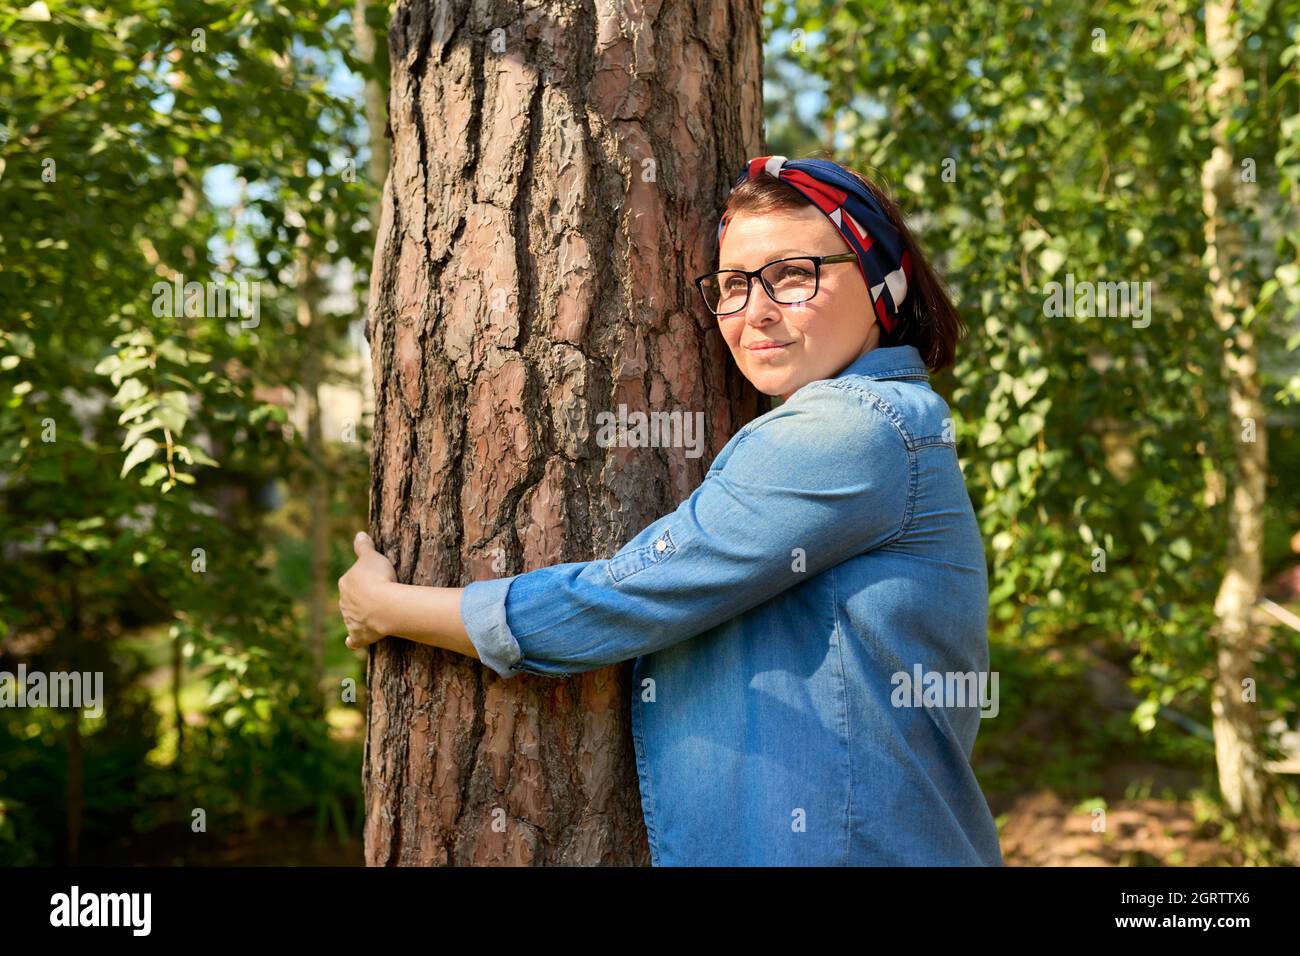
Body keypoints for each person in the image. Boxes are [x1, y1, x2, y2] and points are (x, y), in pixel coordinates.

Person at [338, 154, 1003, 866]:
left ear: (878, 281)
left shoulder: (851, 429)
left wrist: (388, 608)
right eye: (735, 284)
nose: (757, 311)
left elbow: (624, 599)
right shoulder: (892, 422)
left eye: (793, 274)